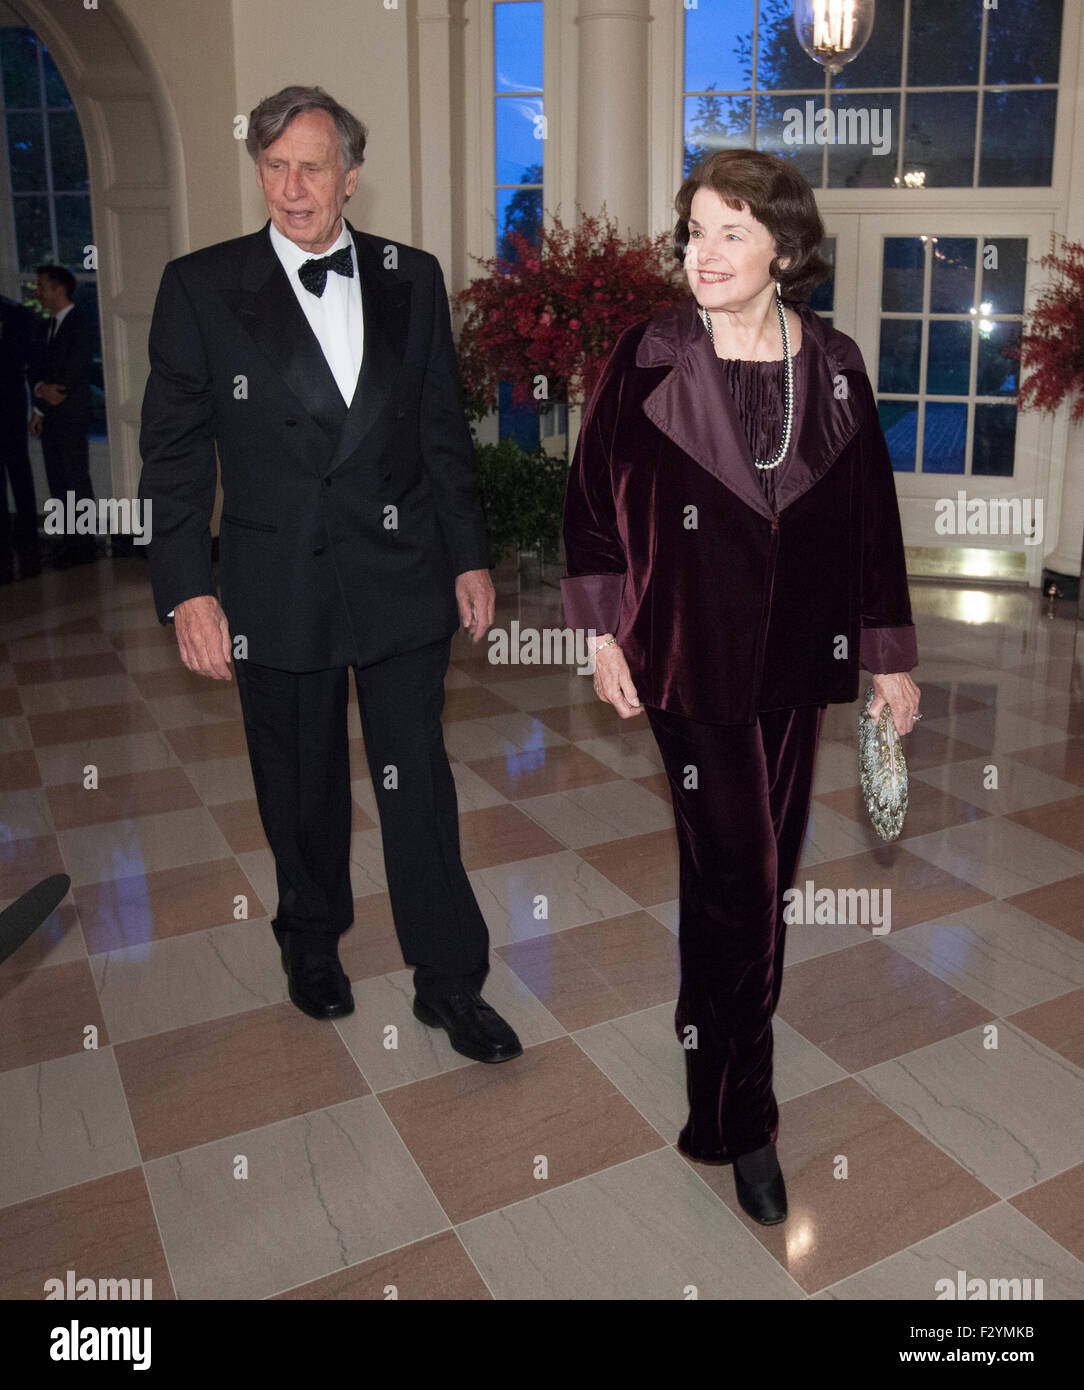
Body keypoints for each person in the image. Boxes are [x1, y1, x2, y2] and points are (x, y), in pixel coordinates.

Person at [561, 149, 921, 1226]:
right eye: (693, 231)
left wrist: (887, 654)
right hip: (683, 656)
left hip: (797, 663)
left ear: (782, 249)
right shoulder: (649, 354)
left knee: (737, 878)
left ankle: (711, 1068)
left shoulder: (839, 365)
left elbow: (870, 523)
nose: (701, 253)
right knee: (746, 879)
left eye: (729, 232)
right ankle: (742, 1118)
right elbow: (590, 498)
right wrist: (600, 630)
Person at [138, 85, 521, 1065]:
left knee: (417, 785)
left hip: (401, 576)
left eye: (313, 167)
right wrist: (189, 587)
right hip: (275, 585)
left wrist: (468, 554)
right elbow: (175, 455)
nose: (292, 186)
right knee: (298, 784)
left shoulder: (411, 277)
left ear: (351, 175)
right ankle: (310, 943)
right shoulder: (200, 286)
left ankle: (450, 981)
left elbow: (440, 431)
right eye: (274, 166)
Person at [29, 265, 96, 567]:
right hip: (52, 414)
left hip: (71, 414)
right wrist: (40, 395)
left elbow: (75, 368)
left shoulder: (80, 323)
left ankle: (83, 544)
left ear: (59, 290)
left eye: (41, 286)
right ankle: (69, 540)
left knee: (75, 478)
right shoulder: (45, 327)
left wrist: (54, 391)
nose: (37, 291)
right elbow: (37, 369)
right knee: (57, 479)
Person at [0, 294, 41, 581]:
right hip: (10, 399)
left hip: (9, 402)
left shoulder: (12, 312)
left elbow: (23, 354)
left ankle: (27, 532)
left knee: (18, 468)